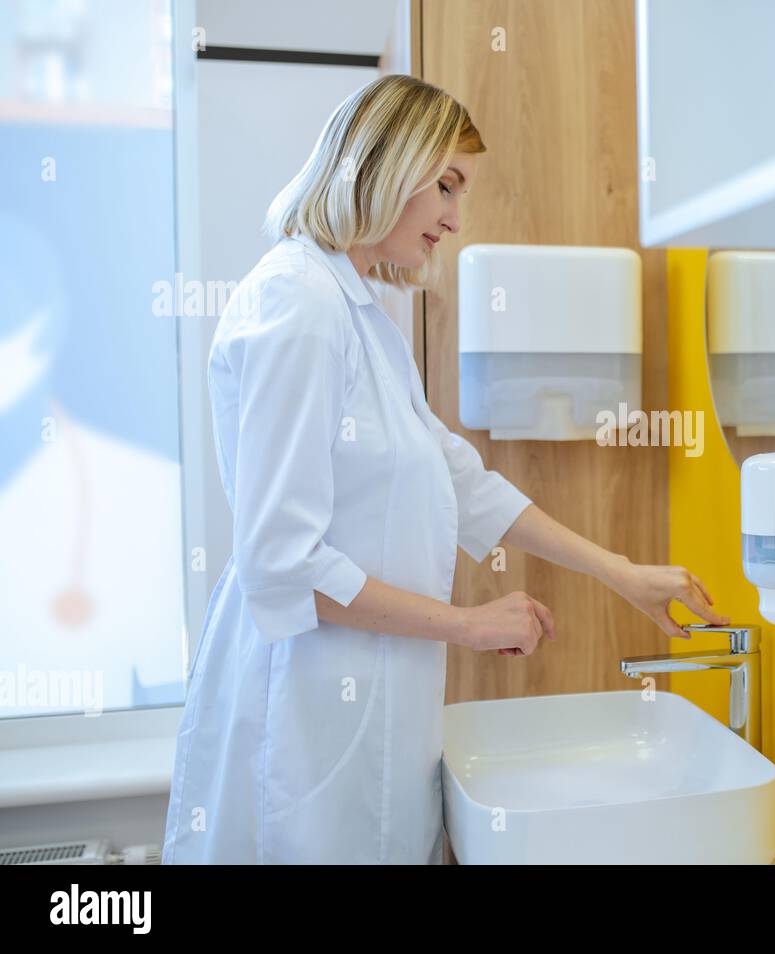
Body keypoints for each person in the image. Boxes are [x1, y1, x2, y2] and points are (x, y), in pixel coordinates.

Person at [162, 75, 727, 864]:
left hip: (372, 713)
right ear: (385, 162)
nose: (456, 219)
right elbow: (281, 566)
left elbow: (463, 483)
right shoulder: (298, 307)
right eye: (447, 186)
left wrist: (622, 572)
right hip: (300, 719)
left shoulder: (364, 316)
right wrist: (469, 625)